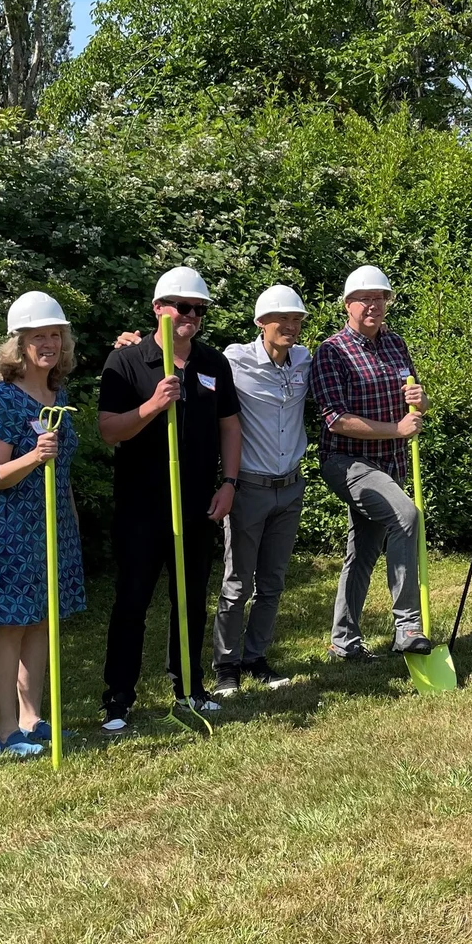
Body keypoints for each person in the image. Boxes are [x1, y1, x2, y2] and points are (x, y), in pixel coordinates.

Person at [97, 266, 242, 731]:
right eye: (183, 307)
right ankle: (118, 699)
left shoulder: (213, 364)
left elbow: (230, 426)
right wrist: (152, 406)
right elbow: (107, 431)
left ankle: (189, 688)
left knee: (191, 599)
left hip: (199, 501)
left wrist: (229, 483)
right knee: (132, 601)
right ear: (159, 309)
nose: (192, 316)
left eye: (199, 309)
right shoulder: (124, 362)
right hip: (142, 505)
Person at [0, 292, 86, 759]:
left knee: (43, 622)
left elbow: (62, 474)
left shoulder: (58, 395)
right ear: (18, 345)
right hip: (12, 529)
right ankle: (5, 731)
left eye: (55, 336)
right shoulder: (2, 400)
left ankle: (31, 718)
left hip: (55, 524)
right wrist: (33, 455)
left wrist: (72, 522)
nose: (49, 343)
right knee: (11, 626)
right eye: (38, 336)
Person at [310, 265, 431, 661]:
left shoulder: (396, 344)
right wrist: (396, 429)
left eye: (380, 298)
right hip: (347, 462)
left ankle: (343, 642)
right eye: (364, 299)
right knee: (405, 516)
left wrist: (420, 401)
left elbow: (415, 405)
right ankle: (407, 625)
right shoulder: (332, 351)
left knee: (362, 549)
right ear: (348, 305)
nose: (373, 305)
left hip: (388, 464)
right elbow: (336, 419)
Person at [210, 285, 312, 697]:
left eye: (297, 320)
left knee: (273, 582)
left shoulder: (306, 359)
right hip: (249, 487)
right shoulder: (233, 360)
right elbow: (184, 362)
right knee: (238, 583)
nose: (290, 326)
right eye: (282, 319)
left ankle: (256, 658)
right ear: (260, 324)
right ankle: (226, 667)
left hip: (290, 486)